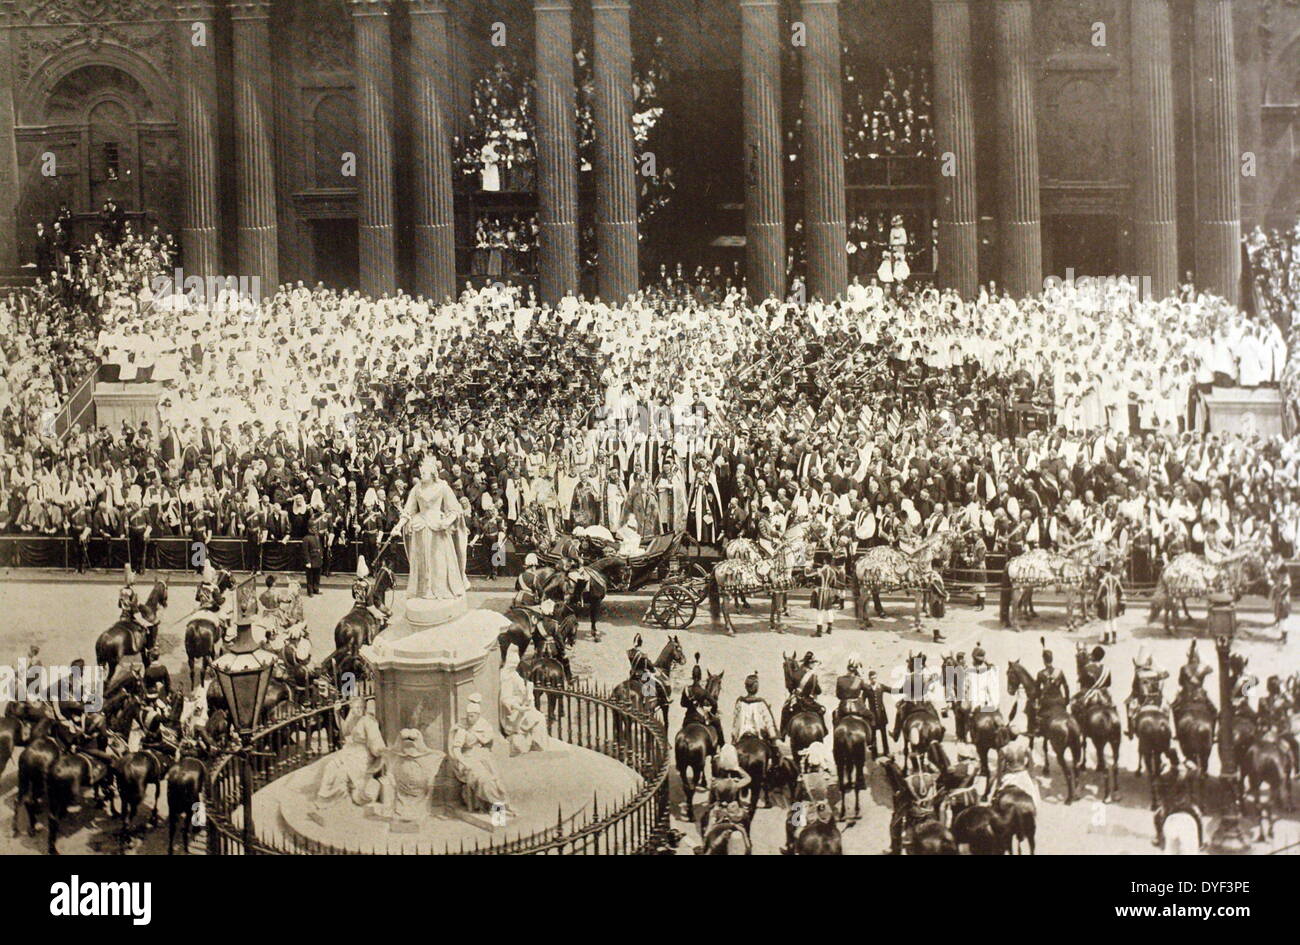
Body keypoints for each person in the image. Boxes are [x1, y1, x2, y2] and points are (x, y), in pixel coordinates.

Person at [394, 452, 468, 601]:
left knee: (438, 559)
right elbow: (409, 510)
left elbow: (454, 509)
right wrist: (398, 526)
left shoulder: (442, 487)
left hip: (438, 527)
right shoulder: (416, 489)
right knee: (422, 560)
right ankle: (423, 589)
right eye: (421, 473)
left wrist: (447, 521)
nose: (421, 475)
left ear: (433, 473)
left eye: (424, 472)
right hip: (420, 526)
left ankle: (441, 589)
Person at [311, 697, 386, 820]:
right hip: (350, 750)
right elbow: (344, 730)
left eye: (360, 708)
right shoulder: (353, 718)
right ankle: (324, 798)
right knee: (331, 766)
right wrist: (337, 712)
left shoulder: (369, 721)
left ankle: (339, 801)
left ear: (364, 708)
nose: (358, 710)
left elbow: (375, 742)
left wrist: (380, 752)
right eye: (355, 708)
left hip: (363, 753)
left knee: (342, 772)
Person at [449, 693, 511, 813]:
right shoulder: (462, 729)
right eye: (467, 716)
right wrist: (464, 762)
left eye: (471, 716)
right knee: (484, 780)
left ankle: (498, 807)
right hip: (468, 759)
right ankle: (496, 807)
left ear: (477, 716)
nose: (468, 718)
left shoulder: (483, 726)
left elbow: (488, 739)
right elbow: (456, 750)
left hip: (482, 756)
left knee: (496, 780)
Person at [1152, 749, 1203, 850]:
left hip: (1170, 806)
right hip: (1186, 805)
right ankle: (1201, 842)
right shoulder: (1185, 770)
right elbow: (1197, 772)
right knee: (1198, 817)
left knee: (1156, 817)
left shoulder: (1165, 774)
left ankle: (1159, 838)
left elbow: (1158, 790)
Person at [1125, 646, 1170, 738]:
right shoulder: (1156, 673)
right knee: (1167, 710)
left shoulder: (1139, 674)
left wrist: (1131, 697)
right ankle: (1168, 729)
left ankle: (1130, 731)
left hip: (1143, 700)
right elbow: (1165, 676)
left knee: (1128, 706)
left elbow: (1135, 689)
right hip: (1157, 700)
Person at [732, 672, 780, 753]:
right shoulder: (761, 703)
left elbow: (735, 722)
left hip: (742, 734)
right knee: (774, 754)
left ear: (746, 687)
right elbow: (769, 722)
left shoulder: (740, 702)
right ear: (757, 688)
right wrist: (773, 737)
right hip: (757, 735)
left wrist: (733, 737)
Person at [680, 660, 723, 747]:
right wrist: (712, 713)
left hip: (688, 719)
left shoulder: (686, 690)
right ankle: (720, 747)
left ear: (692, 676)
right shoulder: (704, 692)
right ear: (700, 677)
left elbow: (682, 704)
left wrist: (690, 704)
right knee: (717, 722)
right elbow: (714, 704)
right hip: (700, 718)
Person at [833, 653, 870, 726]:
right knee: (871, 717)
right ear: (856, 671)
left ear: (847, 669)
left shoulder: (840, 679)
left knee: (835, 717)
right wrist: (862, 675)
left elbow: (838, 695)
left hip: (844, 708)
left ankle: (836, 736)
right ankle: (872, 737)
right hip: (858, 707)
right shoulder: (858, 680)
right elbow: (868, 689)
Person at [303, 522, 323, 595]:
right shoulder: (306, 538)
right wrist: (307, 562)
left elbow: (320, 547)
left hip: (318, 560)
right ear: (309, 529)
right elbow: (305, 551)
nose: (315, 529)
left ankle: (316, 589)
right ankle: (310, 591)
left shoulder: (317, 537)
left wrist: (321, 556)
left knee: (317, 576)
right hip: (311, 560)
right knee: (310, 577)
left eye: (315, 528)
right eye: (313, 528)